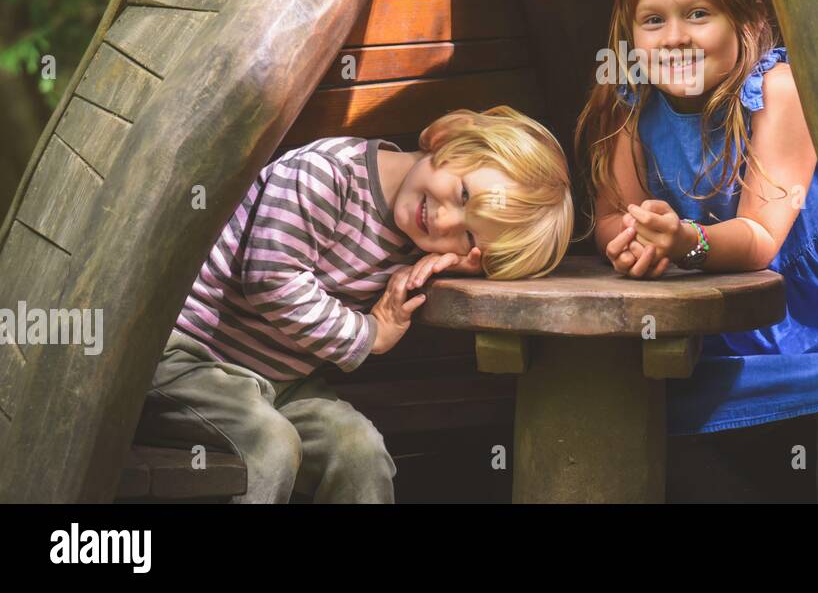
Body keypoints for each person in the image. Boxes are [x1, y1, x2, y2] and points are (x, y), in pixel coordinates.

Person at [574, 0, 818, 503]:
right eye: (652, 21)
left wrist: (682, 239)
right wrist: (628, 242)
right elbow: (610, 216)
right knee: (634, 410)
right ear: (628, 36)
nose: (675, 36)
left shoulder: (777, 91)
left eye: (698, 14)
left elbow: (757, 240)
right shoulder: (626, 103)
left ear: (746, 23)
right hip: (708, 343)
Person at [134, 105, 573, 502]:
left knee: (359, 450)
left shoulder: (418, 242)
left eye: (469, 236)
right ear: (446, 138)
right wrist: (372, 334)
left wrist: (464, 267)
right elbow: (270, 280)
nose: (444, 221)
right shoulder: (326, 175)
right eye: (463, 195)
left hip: (279, 386)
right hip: (184, 359)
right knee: (269, 444)